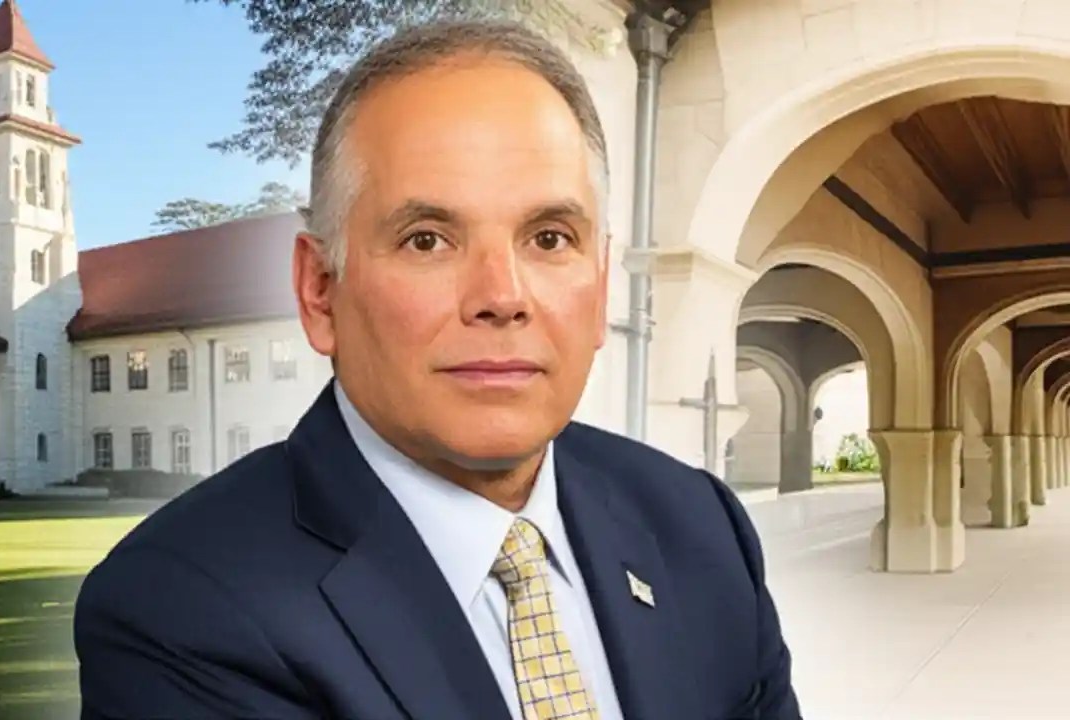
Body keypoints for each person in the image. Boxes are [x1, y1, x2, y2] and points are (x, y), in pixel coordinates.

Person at [74, 17, 802, 720]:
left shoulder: (701, 526)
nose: (501, 296)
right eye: (427, 240)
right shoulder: (180, 608)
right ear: (320, 290)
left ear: (602, 281)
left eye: (550, 237)